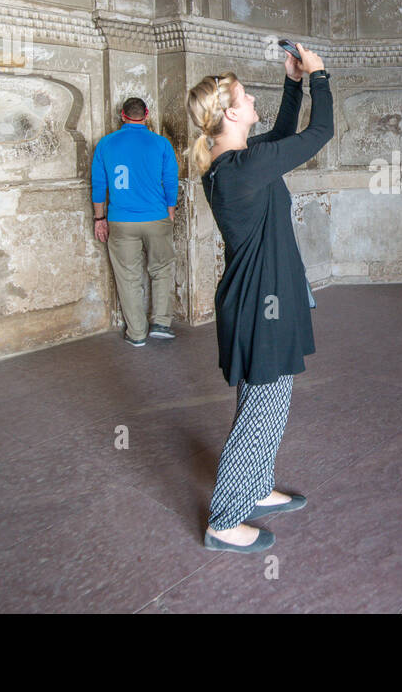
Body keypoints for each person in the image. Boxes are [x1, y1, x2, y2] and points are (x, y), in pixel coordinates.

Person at [188, 42, 333, 553]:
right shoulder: (242, 168)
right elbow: (319, 134)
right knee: (259, 411)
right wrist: (320, 77)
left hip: (264, 298)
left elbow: (283, 137)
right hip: (258, 305)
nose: (253, 102)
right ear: (230, 112)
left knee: (269, 404)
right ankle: (225, 519)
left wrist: (293, 83)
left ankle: (255, 487)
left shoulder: (241, 162)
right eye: (247, 96)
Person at [91, 97, 179, 346]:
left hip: (120, 220)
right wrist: (170, 211)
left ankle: (137, 333)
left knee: (128, 277)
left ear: (122, 115)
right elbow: (171, 181)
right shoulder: (161, 143)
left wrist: (100, 218)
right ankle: (161, 322)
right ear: (146, 115)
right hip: (156, 216)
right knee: (162, 269)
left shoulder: (106, 144)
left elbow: (99, 185)